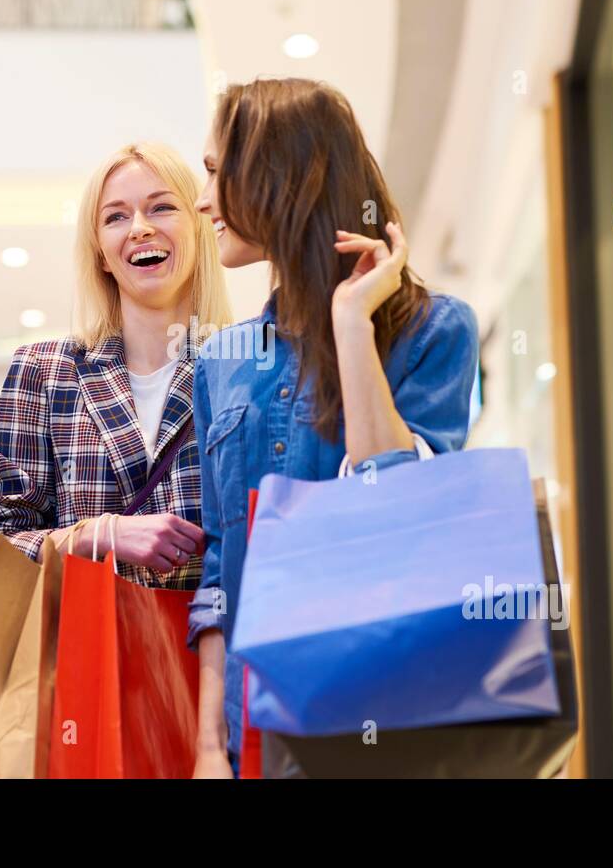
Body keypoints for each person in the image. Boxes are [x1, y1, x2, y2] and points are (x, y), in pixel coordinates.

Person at [187, 79, 480, 777]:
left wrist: (352, 325)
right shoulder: (219, 361)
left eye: (213, 172)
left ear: (277, 179)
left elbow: (399, 506)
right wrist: (206, 748)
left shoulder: (434, 331)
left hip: (382, 714)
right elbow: (219, 567)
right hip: (250, 732)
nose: (202, 201)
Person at [0, 143, 232, 587]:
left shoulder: (243, 365)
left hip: (212, 643)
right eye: (116, 216)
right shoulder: (45, 371)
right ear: (100, 253)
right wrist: (100, 534)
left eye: (162, 208)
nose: (139, 228)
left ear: (200, 227)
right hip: (86, 647)